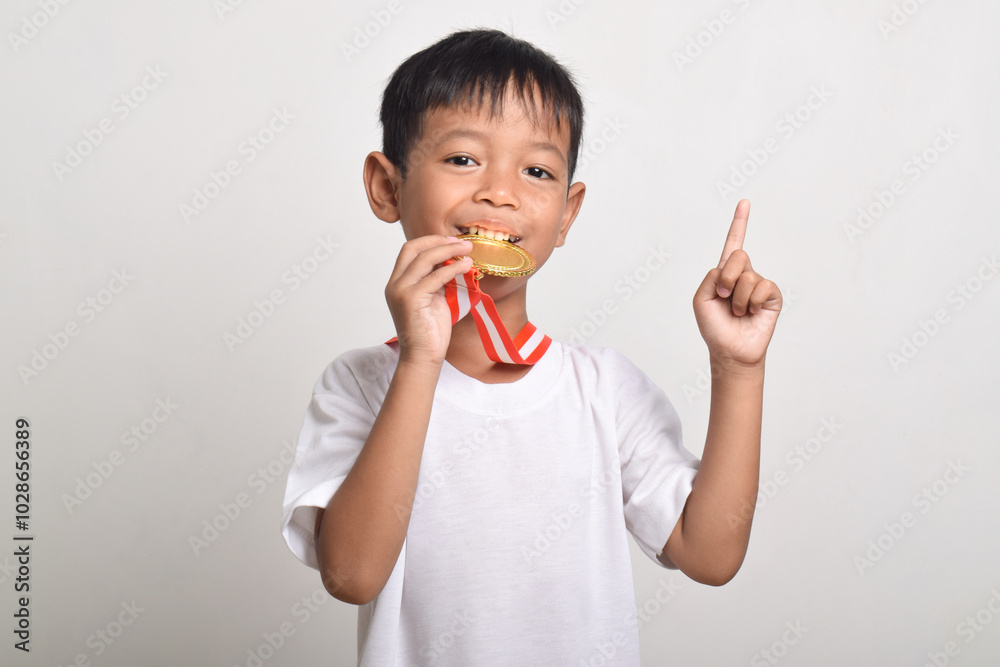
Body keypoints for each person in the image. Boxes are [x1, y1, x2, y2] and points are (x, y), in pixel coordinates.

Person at [280, 27, 782, 666]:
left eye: (537, 170)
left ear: (567, 214)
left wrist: (738, 368)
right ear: (386, 186)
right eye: (463, 159)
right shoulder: (359, 384)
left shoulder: (603, 389)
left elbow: (709, 556)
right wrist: (419, 360)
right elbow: (351, 574)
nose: (501, 192)